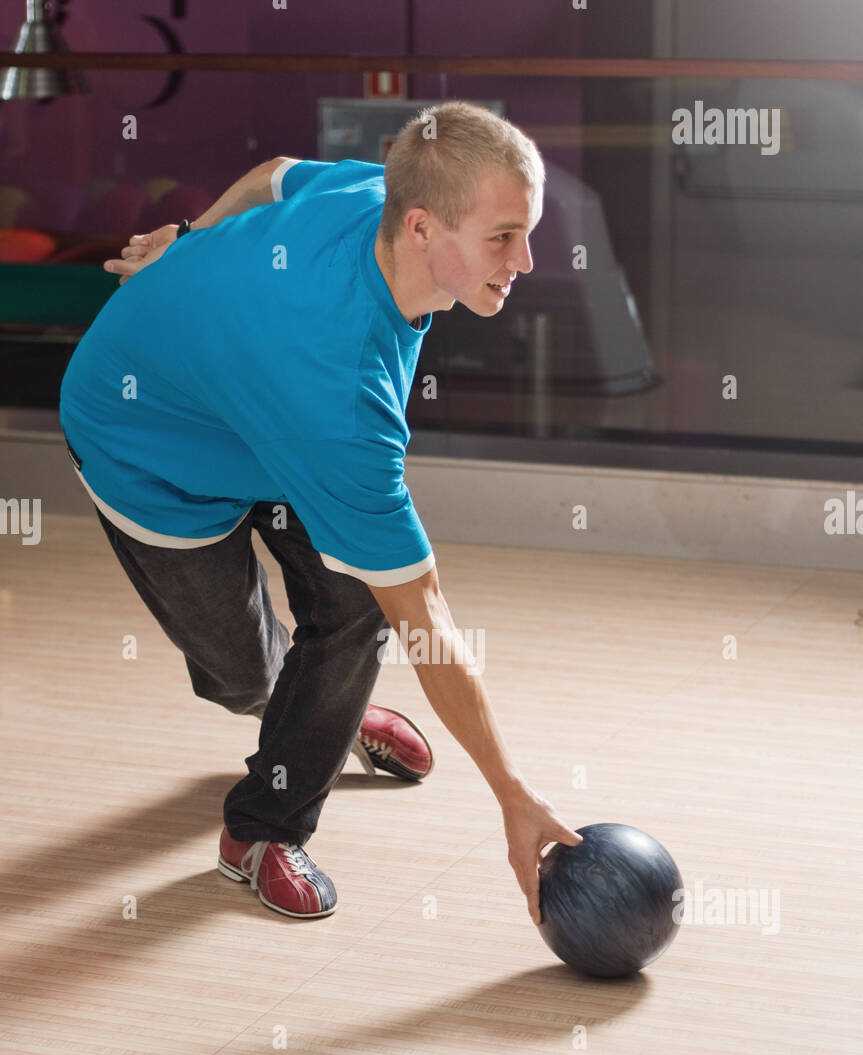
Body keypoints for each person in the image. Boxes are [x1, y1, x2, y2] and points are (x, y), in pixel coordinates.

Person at [59, 100, 581, 928]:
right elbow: (428, 621)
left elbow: (273, 177)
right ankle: (318, 707)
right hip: (149, 446)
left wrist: (189, 234)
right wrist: (512, 793)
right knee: (241, 679)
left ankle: (259, 834)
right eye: (501, 237)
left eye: (528, 230)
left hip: (271, 411)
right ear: (418, 226)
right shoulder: (341, 400)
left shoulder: (377, 194)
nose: (525, 259)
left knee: (351, 609)